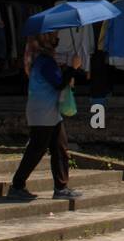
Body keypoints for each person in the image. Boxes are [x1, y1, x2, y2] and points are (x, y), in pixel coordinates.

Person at [8, 31, 83, 200]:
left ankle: (61, 187)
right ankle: (18, 185)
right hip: (44, 113)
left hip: (48, 112)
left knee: (59, 149)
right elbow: (58, 84)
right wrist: (73, 68)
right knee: (36, 150)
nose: (56, 40)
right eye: (53, 37)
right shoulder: (45, 61)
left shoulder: (42, 60)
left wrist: (67, 69)